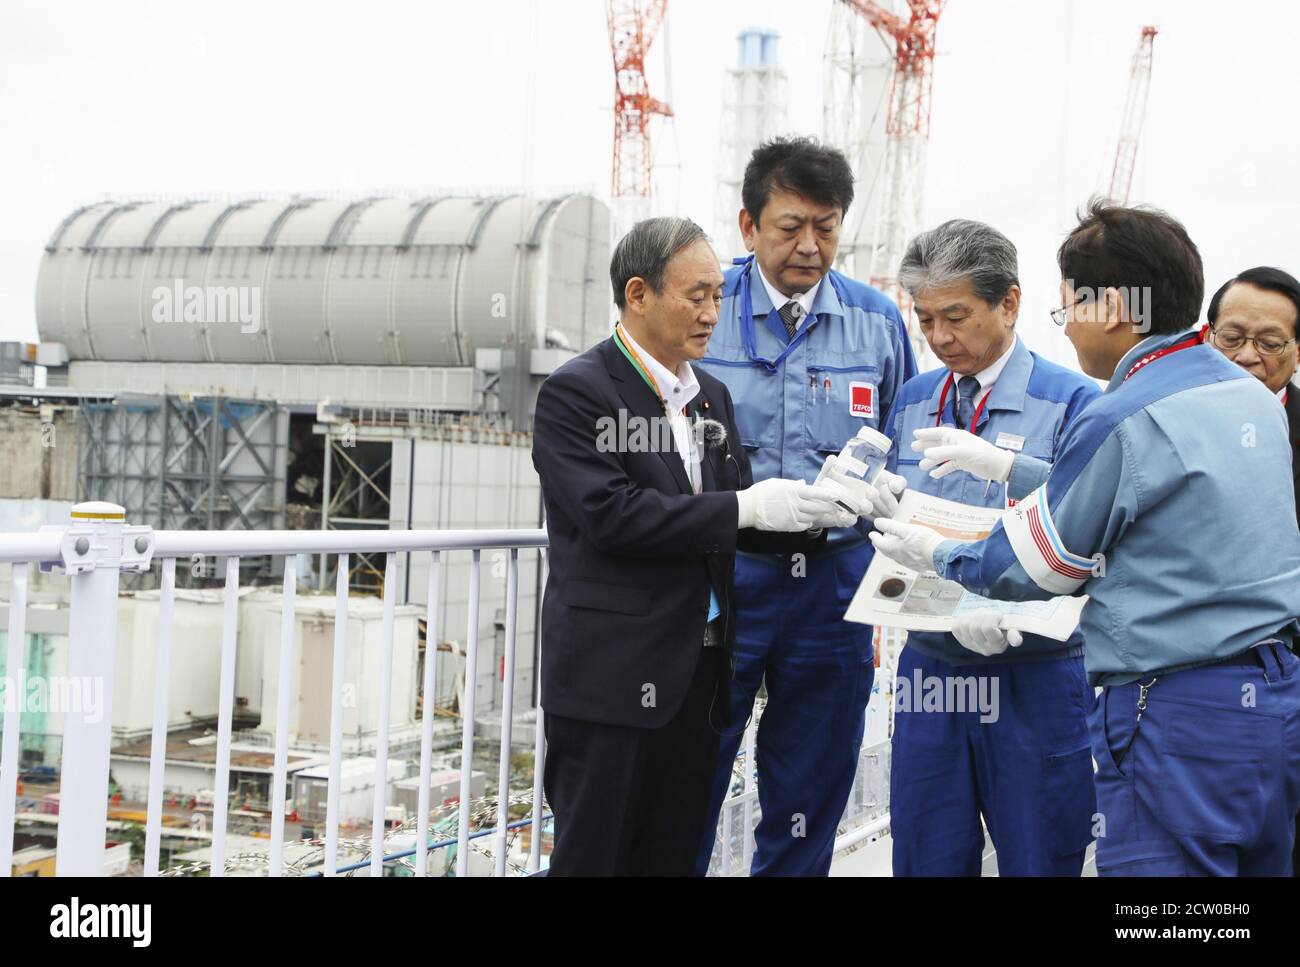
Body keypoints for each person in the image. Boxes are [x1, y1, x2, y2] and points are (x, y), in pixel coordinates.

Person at [872, 200, 1300, 876]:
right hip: (1268, 703)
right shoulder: (1245, 398)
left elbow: (1032, 563)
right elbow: (1151, 490)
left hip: (1170, 713)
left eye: (1068, 305)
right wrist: (1015, 468)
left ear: (1113, 310)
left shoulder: (1118, 413)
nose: (1066, 324)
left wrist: (935, 552)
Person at [531, 216, 852, 876]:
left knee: (674, 858)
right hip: (613, 684)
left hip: (700, 680)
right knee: (595, 857)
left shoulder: (710, 398)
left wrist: (815, 509)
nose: (713, 312)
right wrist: (744, 506)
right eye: (696, 295)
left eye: (717, 295)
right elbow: (613, 516)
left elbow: (725, 516)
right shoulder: (578, 391)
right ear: (639, 294)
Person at [694, 136, 916, 876]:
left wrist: (896, 488)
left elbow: (906, 435)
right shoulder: (702, 309)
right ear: (748, 225)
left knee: (810, 791)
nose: (810, 246)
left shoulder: (878, 322)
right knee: (687, 774)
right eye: (790, 226)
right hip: (721, 579)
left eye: (827, 226)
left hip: (833, 589)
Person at [883, 219, 1100, 876]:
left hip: (1034, 675)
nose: (940, 337)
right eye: (924, 319)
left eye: (956, 316)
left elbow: (1098, 545)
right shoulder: (917, 397)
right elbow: (905, 513)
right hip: (930, 671)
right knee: (925, 855)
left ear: (1009, 302)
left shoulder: (1076, 404)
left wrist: (1011, 613)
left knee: (1040, 856)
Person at [1203, 265, 1300, 874]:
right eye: (1232, 338)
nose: (1247, 357)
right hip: (1192, 692)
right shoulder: (1165, 423)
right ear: (1204, 336)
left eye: (1269, 343)